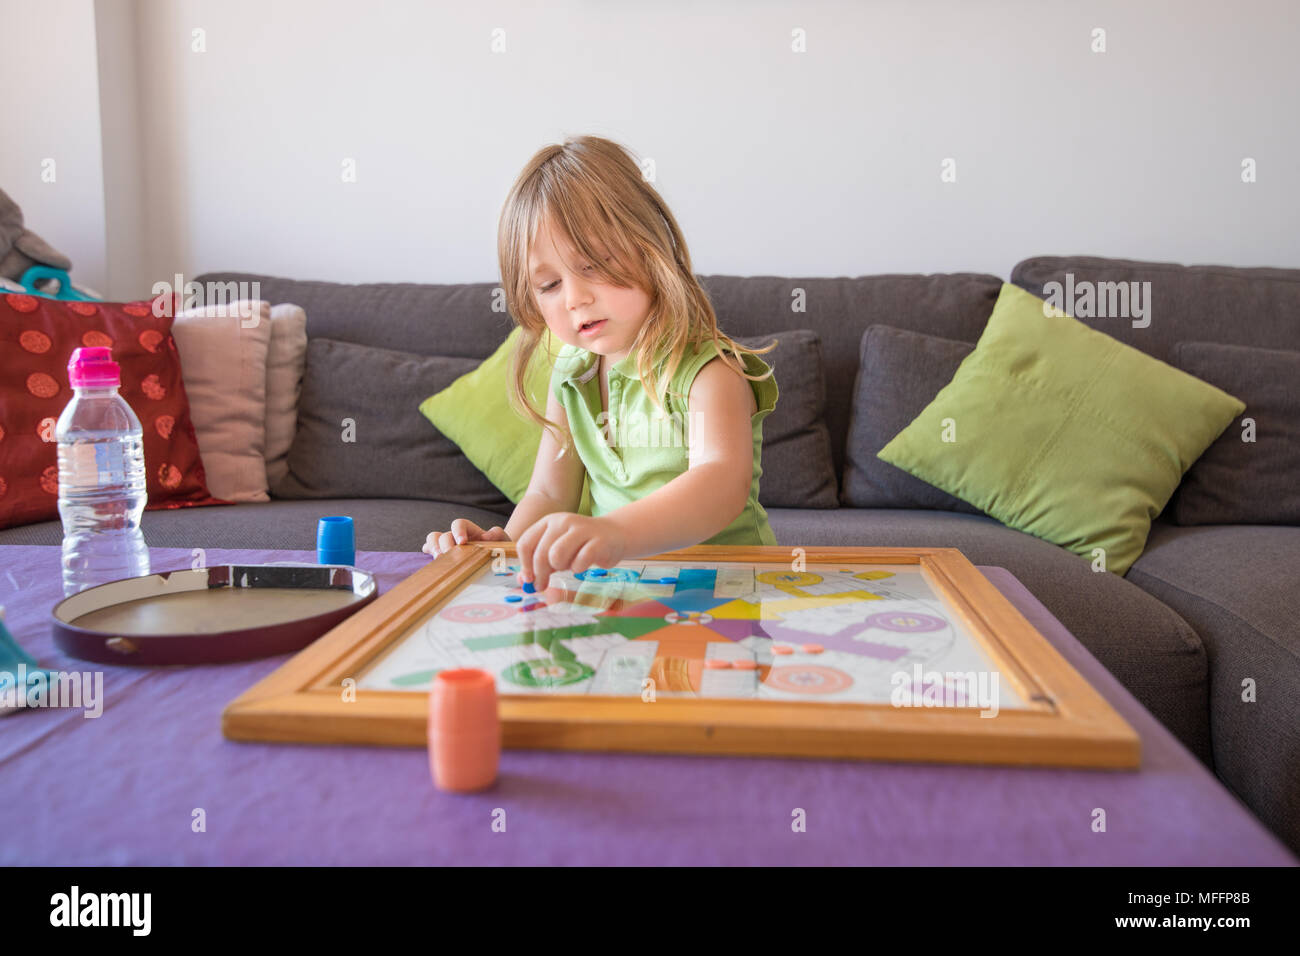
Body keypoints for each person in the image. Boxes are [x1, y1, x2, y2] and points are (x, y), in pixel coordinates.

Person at [423, 135, 778, 592]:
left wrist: (615, 533)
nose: (575, 298)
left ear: (649, 247)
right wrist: (505, 546)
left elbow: (720, 484)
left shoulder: (710, 372)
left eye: (593, 265)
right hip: (622, 593)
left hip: (725, 593)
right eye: (549, 285)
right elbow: (550, 494)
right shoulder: (571, 376)